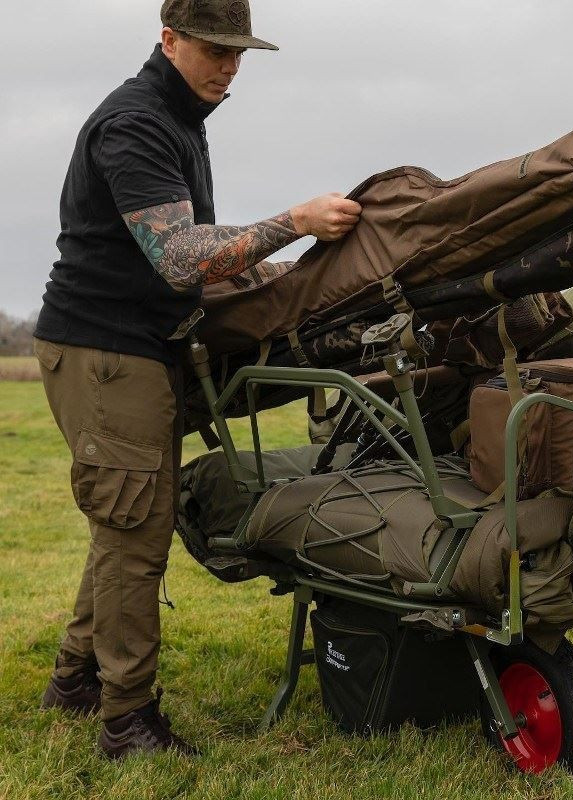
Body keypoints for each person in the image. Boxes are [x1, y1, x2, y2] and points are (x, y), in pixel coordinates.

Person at [34, 0, 361, 759]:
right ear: (169, 39)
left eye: (240, 53)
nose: (230, 67)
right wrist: (296, 221)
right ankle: (126, 722)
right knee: (134, 538)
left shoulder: (181, 119)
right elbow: (180, 257)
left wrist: (293, 274)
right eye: (215, 50)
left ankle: (77, 678)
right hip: (105, 352)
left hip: (131, 347)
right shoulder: (138, 123)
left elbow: (191, 261)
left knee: (127, 521)